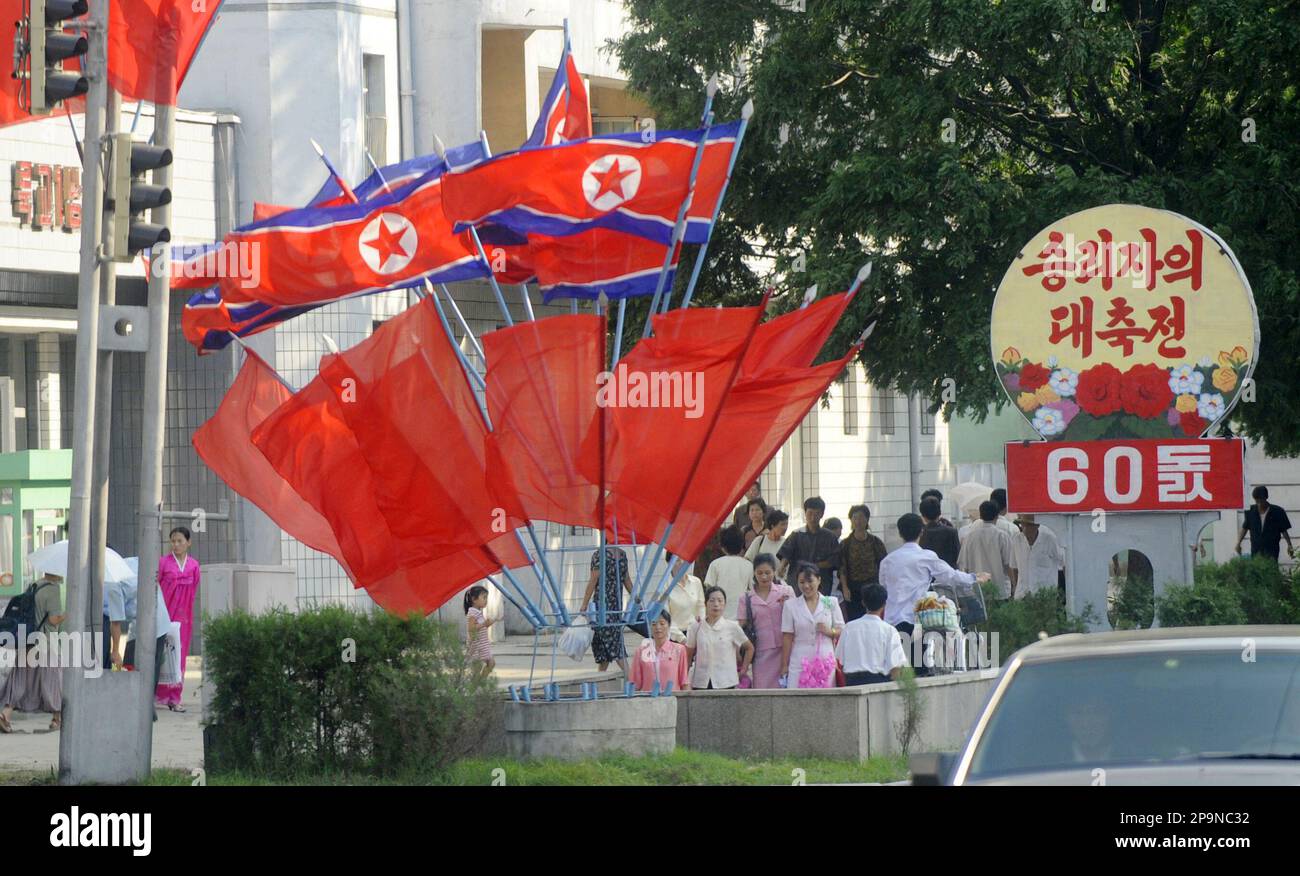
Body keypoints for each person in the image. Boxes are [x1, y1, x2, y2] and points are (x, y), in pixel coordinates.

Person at [880, 514, 988, 676]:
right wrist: (974, 578)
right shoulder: (926, 556)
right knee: (921, 672)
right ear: (921, 532)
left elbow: (883, 587)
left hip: (892, 622)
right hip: (916, 620)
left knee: (897, 673)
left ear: (900, 533)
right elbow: (950, 576)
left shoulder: (887, 561)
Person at [0, 571, 64, 733]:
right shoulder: (53, 590)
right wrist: (68, 615)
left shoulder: (34, 585)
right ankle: (57, 718)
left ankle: (5, 714)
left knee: (20, 677)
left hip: (26, 639)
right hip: (45, 642)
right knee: (53, 678)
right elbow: (53, 619)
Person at [156, 526, 201, 712]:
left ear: (188, 542)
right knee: (160, 653)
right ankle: (156, 694)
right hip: (164, 614)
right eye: (173, 541)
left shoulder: (194, 565)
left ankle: (174, 697)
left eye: (180, 541)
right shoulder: (163, 563)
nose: (176, 544)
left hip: (184, 617)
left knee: (179, 656)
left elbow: (195, 587)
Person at [779, 563, 844, 689]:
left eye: (810, 581)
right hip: (800, 659)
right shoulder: (791, 605)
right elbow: (787, 636)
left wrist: (829, 631)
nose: (806, 586)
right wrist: (784, 665)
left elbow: (841, 629)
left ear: (819, 580)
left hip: (825, 661)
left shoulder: (830, 602)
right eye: (802, 582)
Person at [736, 553, 794, 689]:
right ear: (754, 573)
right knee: (762, 690)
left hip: (786, 650)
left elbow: (796, 617)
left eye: (768, 572)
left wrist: (787, 606)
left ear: (774, 572)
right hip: (761, 653)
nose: (764, 577)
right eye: (759, 573)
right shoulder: (746, 598)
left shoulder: (785, 591)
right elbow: (740, 628)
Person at [835, 583, 908, 685]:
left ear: (863, 603)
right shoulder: (889, 630)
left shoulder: (849, 627)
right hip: (878, 683)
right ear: (884, 604)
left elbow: (840, 660)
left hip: (852, 684)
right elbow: (896, 666)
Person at [686, 586, 754, 690]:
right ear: (706, 604)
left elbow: (749, 648)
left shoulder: (732, 627)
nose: (716, 604)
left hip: (726, 681)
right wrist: (685, 679)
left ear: (724, 604)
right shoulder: (696, 627)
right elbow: (688, 654)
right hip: (701, 681)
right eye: (712, 600)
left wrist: (743, 670)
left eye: (720, 601)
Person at [580, 545, 634, 674]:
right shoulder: (620, 555)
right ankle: (629, 679)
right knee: (608, 647)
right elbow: (626, 580)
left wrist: (584, 605)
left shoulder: (601, 555)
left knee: (612, 647)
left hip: (604, 607)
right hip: (611, 607)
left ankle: (632, 680)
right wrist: (636, 598)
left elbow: (593, 580)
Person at [778, 497, 840, 595]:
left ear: (822, 514)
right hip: (798, 582)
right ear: (805, 513)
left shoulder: (830, 537)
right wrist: (781, 567)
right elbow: (786, 554)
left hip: (821, 583)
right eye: (810, 513)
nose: (813, 518)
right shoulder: (796, 534)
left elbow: (834, 560)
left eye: (817, 514)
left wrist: (813, 566)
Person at [838, 505, 888, 623]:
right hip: (853, 589)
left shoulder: (876, 542)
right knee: (854, 619)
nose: (858, 521)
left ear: (867, 519)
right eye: (855, 517)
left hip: (872, 587)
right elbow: (842, 568)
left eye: (861, 517)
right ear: (851, 520)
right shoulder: (845, 544)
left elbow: (884, 565)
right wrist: (845, 588)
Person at [957, 501, 1014, 598]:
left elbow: (963, 565)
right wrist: (1014, 584)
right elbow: (1009, 564)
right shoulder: (1002, 536)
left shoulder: (970, 537)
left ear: (981, 515)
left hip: (977, 590)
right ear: (997, 516)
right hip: (1000, 590)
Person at [629, 609, 691, 692]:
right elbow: (635, 684)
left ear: (669, 626)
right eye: (654, 624)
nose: (658, 627)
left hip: (671, 700)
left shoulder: (679, 650)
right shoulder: (641, 651)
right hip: (649, 701)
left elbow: (684, 682)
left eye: (662, 623)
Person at [704, 524, 753, 620]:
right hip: (741, 617)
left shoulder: (715, 564)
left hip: (719, 617)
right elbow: (752, 591)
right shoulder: (749, 565)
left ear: (723, 546)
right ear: (741, 545)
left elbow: (709, 590)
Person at [1010, 514, 1065, 598]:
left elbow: (1064, 562)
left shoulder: (1049, 539)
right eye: (1023, 525)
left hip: (1045, 596)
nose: (1025, 529)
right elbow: (1014, 567)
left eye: (1028, 525)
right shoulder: (1017, 540)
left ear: (1037, 525)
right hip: (1023, 594)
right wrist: (1015, 587)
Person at [1236, 486, 1294, 562]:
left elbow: (1283, 530)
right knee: (1256, 571)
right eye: (1257, 501)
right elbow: (1245, 527)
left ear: (1266, 498)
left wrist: (1289, 545)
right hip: (1256, 549)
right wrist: (1238, 543)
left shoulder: (1278, 511)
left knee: (1271, 569)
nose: (1259, 504)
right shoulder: (1250, 511)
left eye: (1261, 501)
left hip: (1272, 549)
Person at [665, 557, 705, 644]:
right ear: (669, 563)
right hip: (675, 637)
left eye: (684, 559)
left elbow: (701, 608)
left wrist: (701, 630)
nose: (682, 563)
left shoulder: (696, 582)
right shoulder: (664, 586)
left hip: (696, 634)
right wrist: (683, 640)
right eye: (677, 560)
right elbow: (666, 618)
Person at [463, 585, 496, 680]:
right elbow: (471, 629)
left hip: (482, 644)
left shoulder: (478, 612)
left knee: (491, 663)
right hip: (477, 645)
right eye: (484, 597)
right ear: (474, 599)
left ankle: (479, 682)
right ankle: (475, 686)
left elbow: (480, 626)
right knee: (478, 668)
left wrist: (487, 624)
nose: (486, 600)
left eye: (486, 598)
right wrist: (484, 624)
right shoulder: (472, 612)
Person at [918, 496, 961, 568]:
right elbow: (958, 555)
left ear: (923, 515)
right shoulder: (951, 531)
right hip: (949, 573)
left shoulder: (920, 534)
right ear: (939, 513)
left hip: (928, 575)